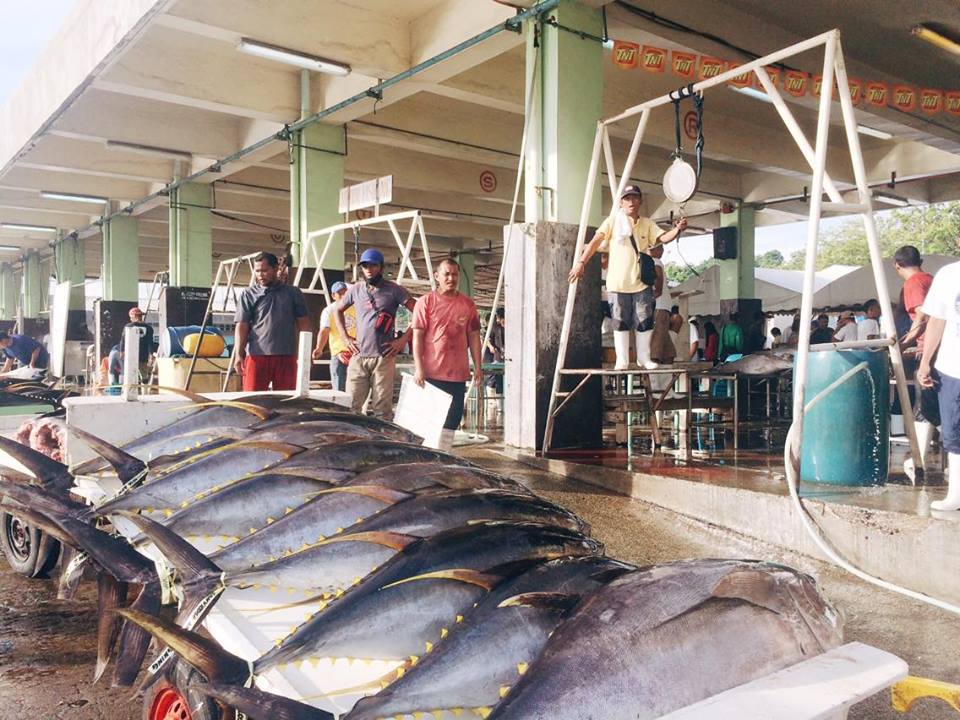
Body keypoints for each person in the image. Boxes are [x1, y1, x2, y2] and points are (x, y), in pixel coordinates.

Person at [568, 185, 687, 370]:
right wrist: (581, 263)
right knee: (620, 321)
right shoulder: (612, 222)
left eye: (634, 198)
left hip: (640, 284)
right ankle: (622, 360)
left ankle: (644, 358)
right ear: (621, 202)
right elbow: (595, 242)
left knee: (645, 321)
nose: (631, 202)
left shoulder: (647, 223)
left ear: (640, 201)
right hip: (617, 284)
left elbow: (663, 238)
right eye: (627, 199)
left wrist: (677, 229)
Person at [336, 248, 416, 420]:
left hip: (383, 357)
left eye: (373, 265)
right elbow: (337, 311)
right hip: (358, 356)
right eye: (365, 266)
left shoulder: (394, 290)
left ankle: (382, 444)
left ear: (381, 267)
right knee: (351, 406)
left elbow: (418, 312)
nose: (369, 269)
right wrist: (345, 338)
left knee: (382, 409)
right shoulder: (356, 290)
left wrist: (403, 339)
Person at [411, 258, 483, 451]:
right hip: (431, 374)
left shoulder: (468, 305)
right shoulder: (425, 302)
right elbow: (417, 337)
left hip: (457, 374)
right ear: (437, 276)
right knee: (430, 420)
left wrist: (478, 367)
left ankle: (444, 455)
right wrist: (419, 369)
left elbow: (474, 336)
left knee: (452, 419)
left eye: (455, 274)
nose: (451, 278)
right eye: (446, 274)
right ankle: (427, 457)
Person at [917, 244, 960, 511]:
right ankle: (956, 493)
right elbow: (937, 321)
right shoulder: (948, 275)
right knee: (954, 432)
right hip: (953, 368)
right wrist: (925, 362)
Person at [234, 251, 310, 392]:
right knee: (253, 401)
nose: (260, 275)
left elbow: (304, 324)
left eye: (264, 270)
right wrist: (238, 354)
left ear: (276, 269)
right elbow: (242, 326)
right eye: (257, 271)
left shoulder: (293, 293)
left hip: (286, 356)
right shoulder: (248, 294)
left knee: (287, 402)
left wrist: (305, 353)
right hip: (256, 356)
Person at [894, 245, 939, 480]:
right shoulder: (932, 279)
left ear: (897, 266)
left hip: (930, 350)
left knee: (925, 405)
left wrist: (904, 344)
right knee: (939, 405)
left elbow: (922, 315)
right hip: (946, 348)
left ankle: (917, 458)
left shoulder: (912, 283)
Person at [313, 281, 356, 392]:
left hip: (356, 353)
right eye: (339, 293)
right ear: (333, 295)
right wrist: (319, 348)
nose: (343, 296)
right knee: (339, 389)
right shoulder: (329, 311)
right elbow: (324, 330)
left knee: (356, 389)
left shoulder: (357, 307)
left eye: (345, 293)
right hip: (339, 354)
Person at [649, 245, 676, 364]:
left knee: (656, 339)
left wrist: (650, 297)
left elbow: (658, 284)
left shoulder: (655, 262)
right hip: (664, 306)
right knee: (664, 338)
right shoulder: (656, 262)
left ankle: (654, 364)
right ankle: (668, 359)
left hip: (658, 305)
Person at [482, 307, 505, 394]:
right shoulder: (495, 326)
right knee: (497, 382)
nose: (499, 322)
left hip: (510, 359)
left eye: (502, 320)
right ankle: (499, 404)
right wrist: (491, 347)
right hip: (498, 358)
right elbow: (486, 338)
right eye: (499, 320)